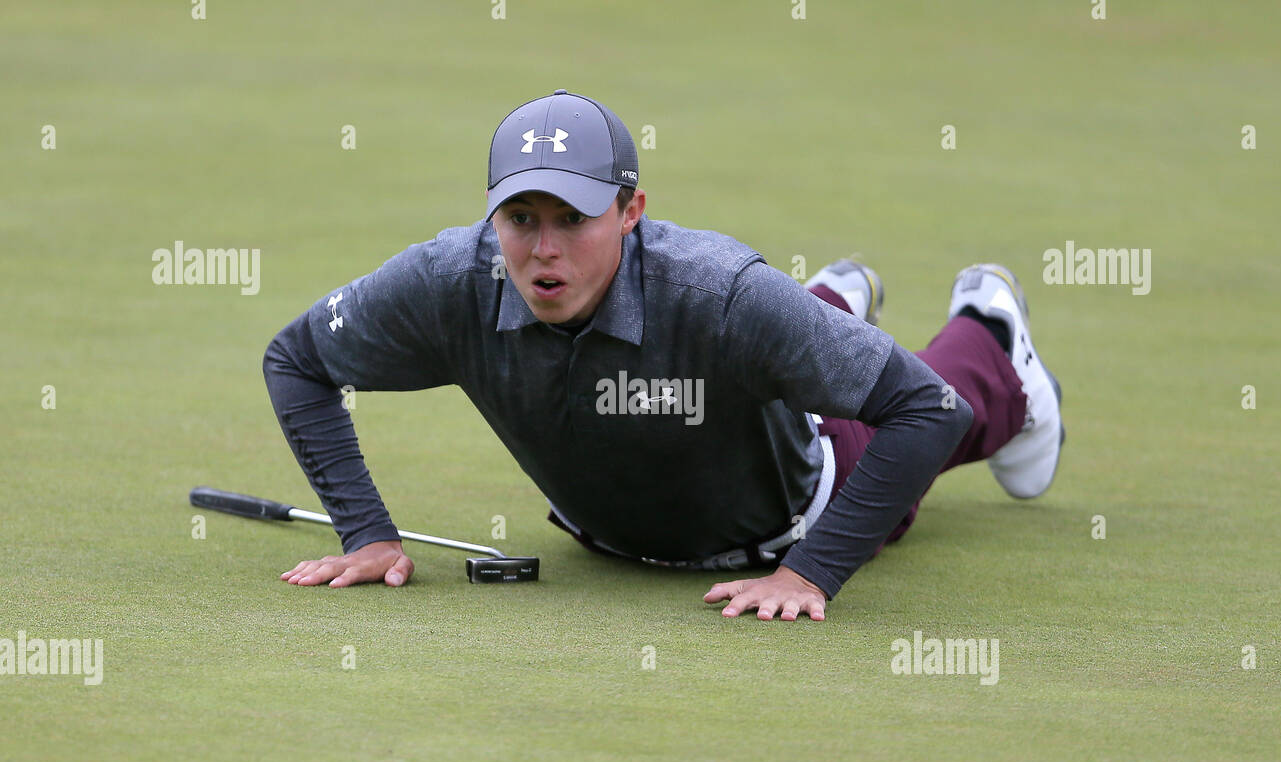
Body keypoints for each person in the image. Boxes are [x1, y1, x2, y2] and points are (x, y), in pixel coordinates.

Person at [263, 90, 1064, 622]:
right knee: (784, 334)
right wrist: (366, 531)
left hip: (799, 497)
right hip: (615, 528)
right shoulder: (449, 282)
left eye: (573, 219)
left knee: (947, 394)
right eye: (519, 216)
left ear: (631, 209)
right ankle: (829, 307)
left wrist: (809, 573)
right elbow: (297, 359)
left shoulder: (721, 292)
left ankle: (994, 337)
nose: (544, 250)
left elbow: (927, 411)